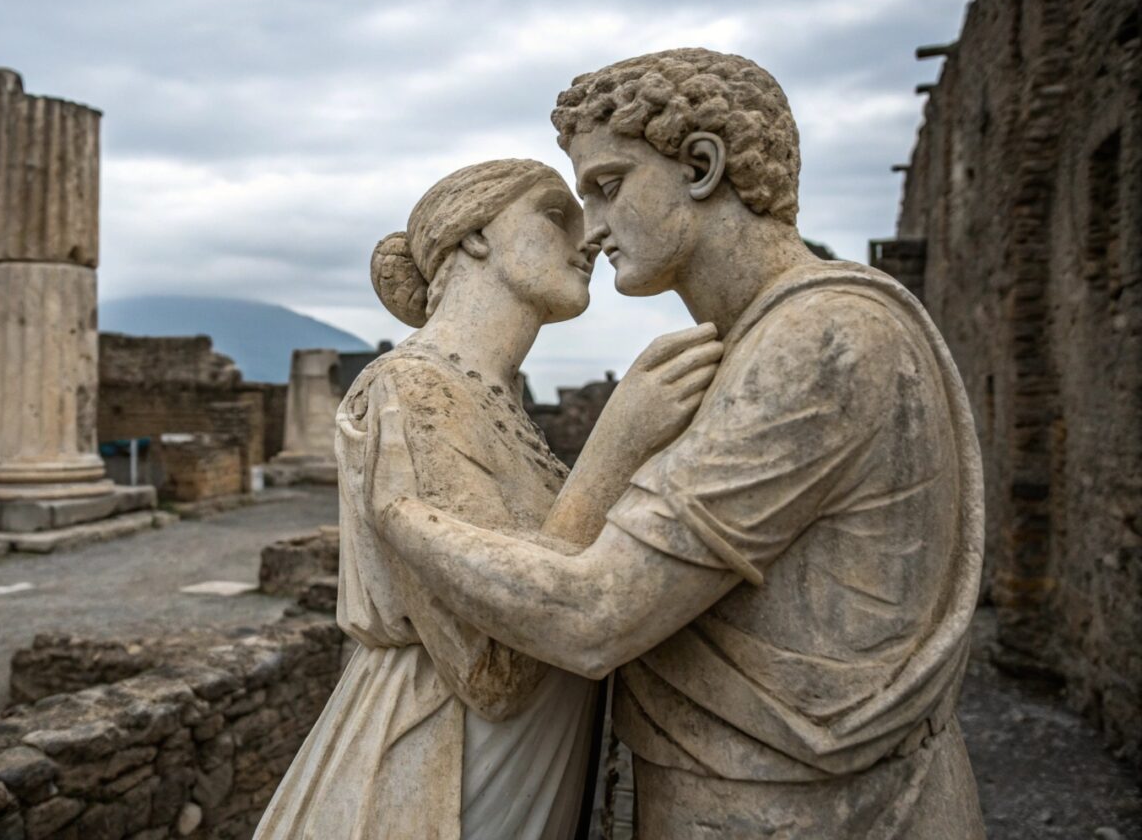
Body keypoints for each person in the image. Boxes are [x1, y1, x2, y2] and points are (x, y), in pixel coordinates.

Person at [369, 49, 987, 837]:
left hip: (807, 809)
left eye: (607, 186)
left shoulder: (823, 338)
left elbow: (595, 613)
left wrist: (400, 517)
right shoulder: (752, 344)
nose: (591, 229)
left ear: (701, 166)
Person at [255, 159, 721, 840]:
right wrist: (614, 448)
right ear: (474, 236)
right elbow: (491, 668)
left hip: (517, 765)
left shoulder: (498, 403)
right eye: (555, 214)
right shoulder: (413, 390)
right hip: (443, 769)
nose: (589, 235)